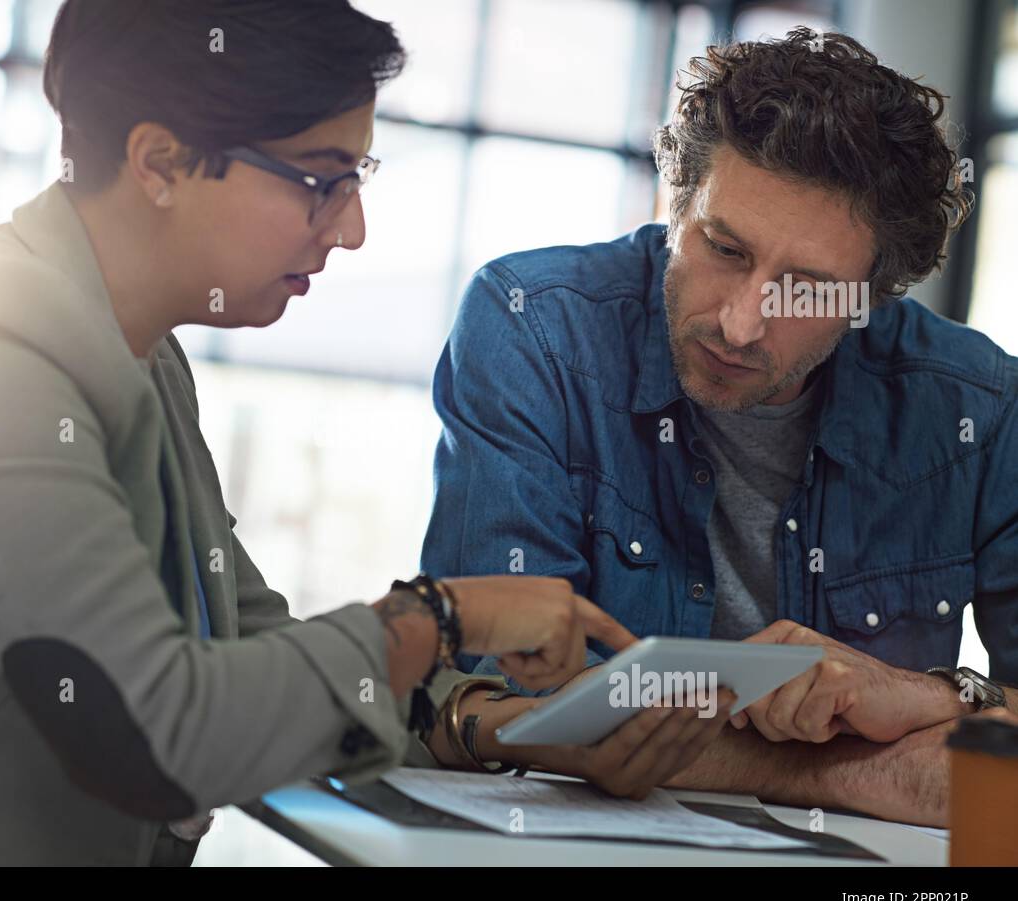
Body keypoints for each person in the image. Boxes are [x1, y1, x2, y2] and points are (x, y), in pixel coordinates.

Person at [0, 0, 730, 866]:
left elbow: (250, 649)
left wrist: (515, 729)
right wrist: (442, 612)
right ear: (159, 161)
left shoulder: (138, 356)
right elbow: (158, 728)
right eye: (319, 177)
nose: (351, 228)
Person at [421, 27, 1018, 828]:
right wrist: (860, 773)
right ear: (675, 203)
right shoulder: (535, 328)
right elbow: (501, 697)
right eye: (724, 248)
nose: (740, 325)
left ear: (875, 298)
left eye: (806, 288)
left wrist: (921, 696)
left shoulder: (978, 407)